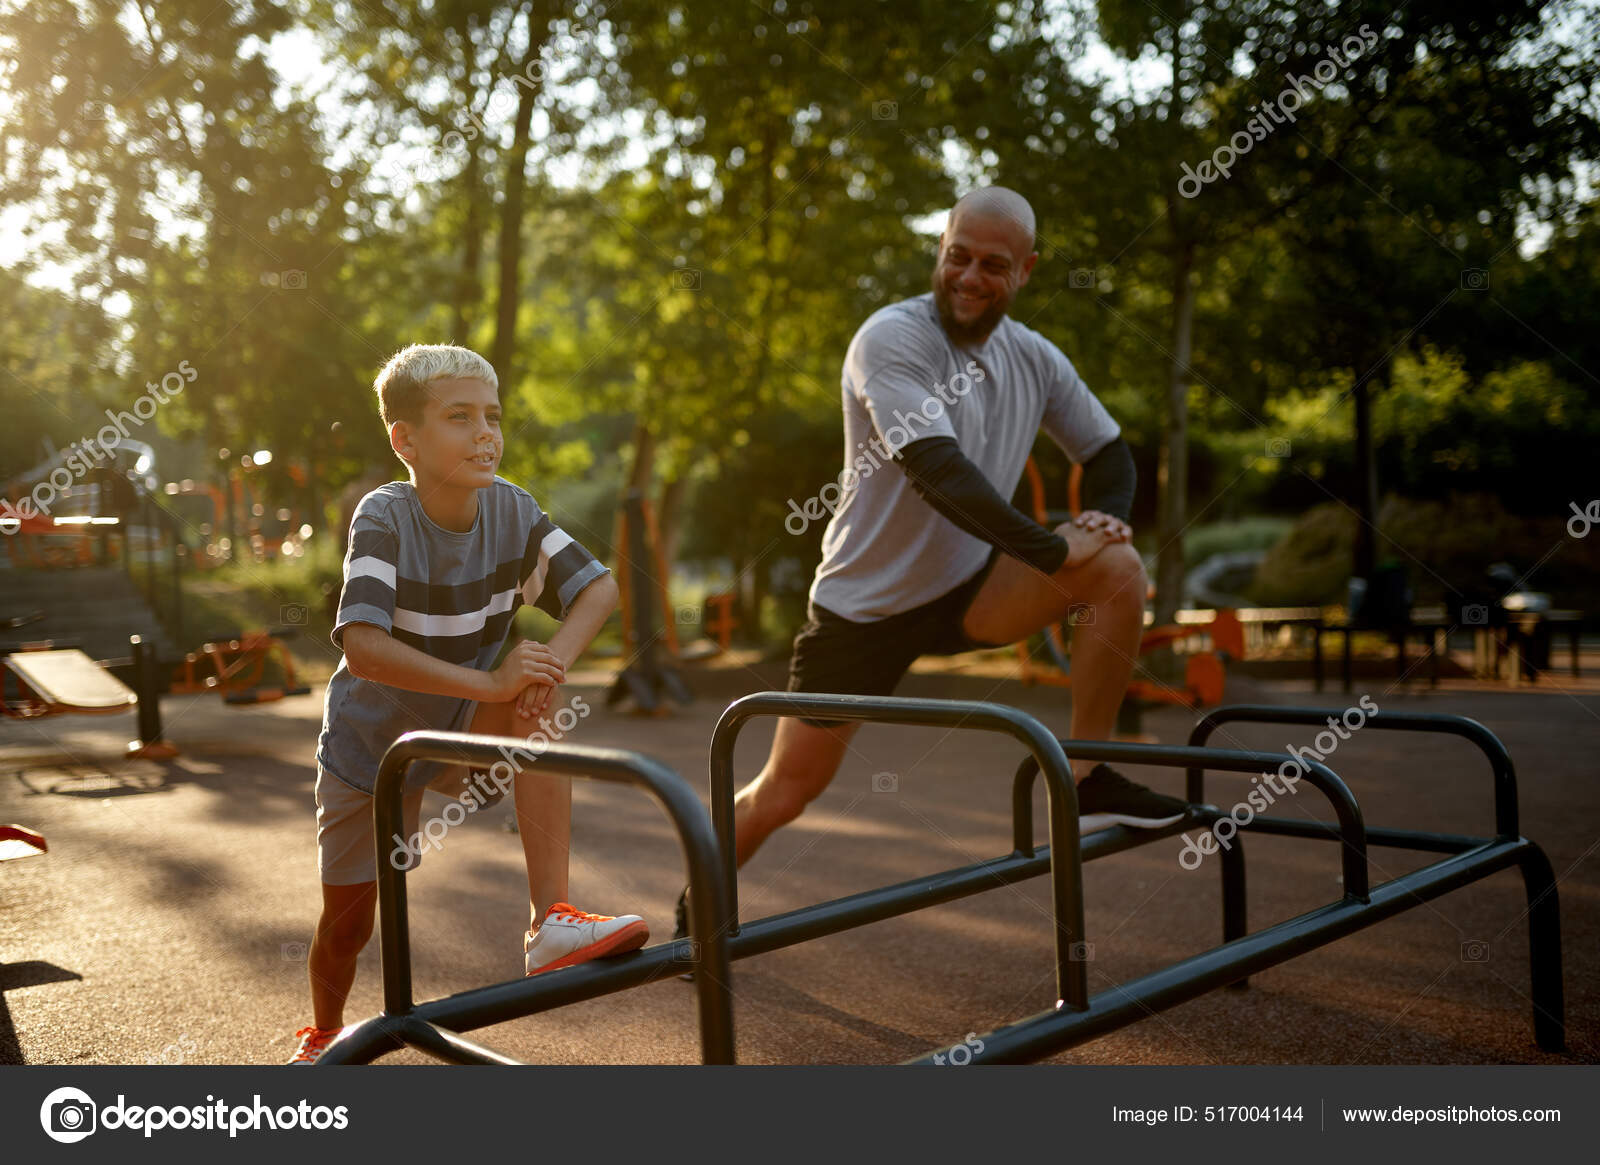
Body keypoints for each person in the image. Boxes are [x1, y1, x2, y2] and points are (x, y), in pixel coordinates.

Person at [677, 187, 1189, 938]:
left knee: (1116, 566)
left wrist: (1100, 521)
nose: (971, 277)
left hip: (973, 589)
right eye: (959, 256)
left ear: (1026, 272)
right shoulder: (891, 339)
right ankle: (702, 895)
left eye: (994, 264)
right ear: (939, 251)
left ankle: (1083, 772)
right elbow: (938, 473)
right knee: (789, 789)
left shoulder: (1035, 359)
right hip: (865, 605)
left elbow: (1108, 452)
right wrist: (1052, 546)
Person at [289, 344, 645, 1064]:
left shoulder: (512, 510)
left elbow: (598, 588)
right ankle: (323, 1031)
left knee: (544, 693)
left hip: (458, 735)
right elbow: (362, 645)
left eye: (493, 415)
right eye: (460, 417)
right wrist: (491, 682)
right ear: (406, 440)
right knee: (348, 928)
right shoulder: (385, 515)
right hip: (372, 752)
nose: (486, 432)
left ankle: (551, 918)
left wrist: (545, 667)